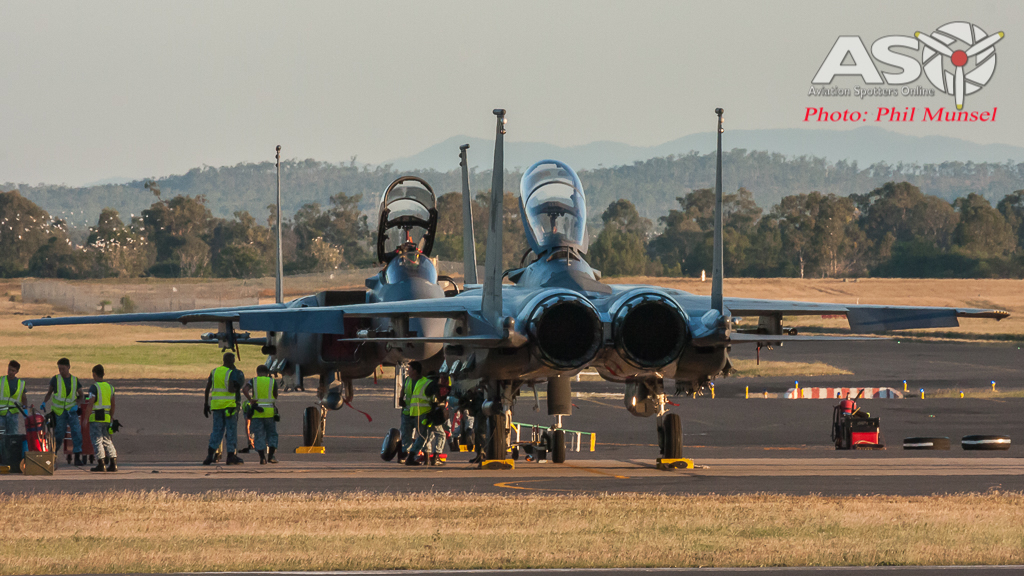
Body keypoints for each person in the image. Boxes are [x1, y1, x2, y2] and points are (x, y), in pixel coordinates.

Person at [203, 352, 245, 465]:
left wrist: (206, 404)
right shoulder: (231, 372)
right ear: (233, 360)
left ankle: (210, 454)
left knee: (217, 431)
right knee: (231, 431)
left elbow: (207, 388)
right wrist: (237, 387)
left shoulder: (215, 371)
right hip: (229, 407)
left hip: (216, 406)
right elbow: (231, 389)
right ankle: (231, 456)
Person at [42, 358, 85, 466]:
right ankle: (53, 454)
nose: (61, 371)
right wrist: (44, 402)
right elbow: (49, 393)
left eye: (63, 369)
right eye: (59, 369)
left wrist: (77, 405)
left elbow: (81, 395)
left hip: (72, 412)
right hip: (59, 412)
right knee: (59, 435)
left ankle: (77, 457)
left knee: (76, 432)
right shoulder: (55, 379)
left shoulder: (74, 380)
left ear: (69, 367)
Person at [405, 372, 445, 466]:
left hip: (417, 412)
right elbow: (437, 399)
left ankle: (412, 457)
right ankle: (436, 457)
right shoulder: (433, 385)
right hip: (427, 413)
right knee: (441, 434)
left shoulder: (421, 383)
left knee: (424, 436)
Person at [242, 365, 278, 465]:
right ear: (267, 373)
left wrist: (251, 400)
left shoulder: (254, 381)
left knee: (259, 435)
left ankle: (262, 458)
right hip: (269, 412)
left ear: (257, 372)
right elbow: (275, 395)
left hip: (257, 412)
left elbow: (245, 390)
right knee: (272, 434)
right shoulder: (272, 381)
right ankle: (271, 456)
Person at [87, 364, 117, 472]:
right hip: (107, 417)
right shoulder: (110, 387)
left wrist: (86, 418)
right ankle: (113, 463)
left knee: (97, 440)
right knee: (107, 440)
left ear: (94, 374)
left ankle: (101, 463)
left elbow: (90, 403)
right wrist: (111, 416)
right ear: (103, 374)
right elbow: (113, 404)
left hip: (96, 417)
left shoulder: (94, 387)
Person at [398, 361, 426, 462]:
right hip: (407, 412)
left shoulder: (424, 382)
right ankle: (407, 455)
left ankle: (414, 453)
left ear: (415, 371)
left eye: (409, 369)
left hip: (419, 413)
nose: (408, 371)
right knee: (406, 435)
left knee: (422, 435)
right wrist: (401, 398)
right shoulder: (408, 380)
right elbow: (403, 389)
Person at [0, 360, 27, 435]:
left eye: (13, 371)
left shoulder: (21, 383)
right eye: (9, 369)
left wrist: (25, 410)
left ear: (17, 372)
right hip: (1, 414)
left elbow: (24, 398)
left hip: (13, 414)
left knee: (13, 436)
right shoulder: (1, 380)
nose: (10, 372)